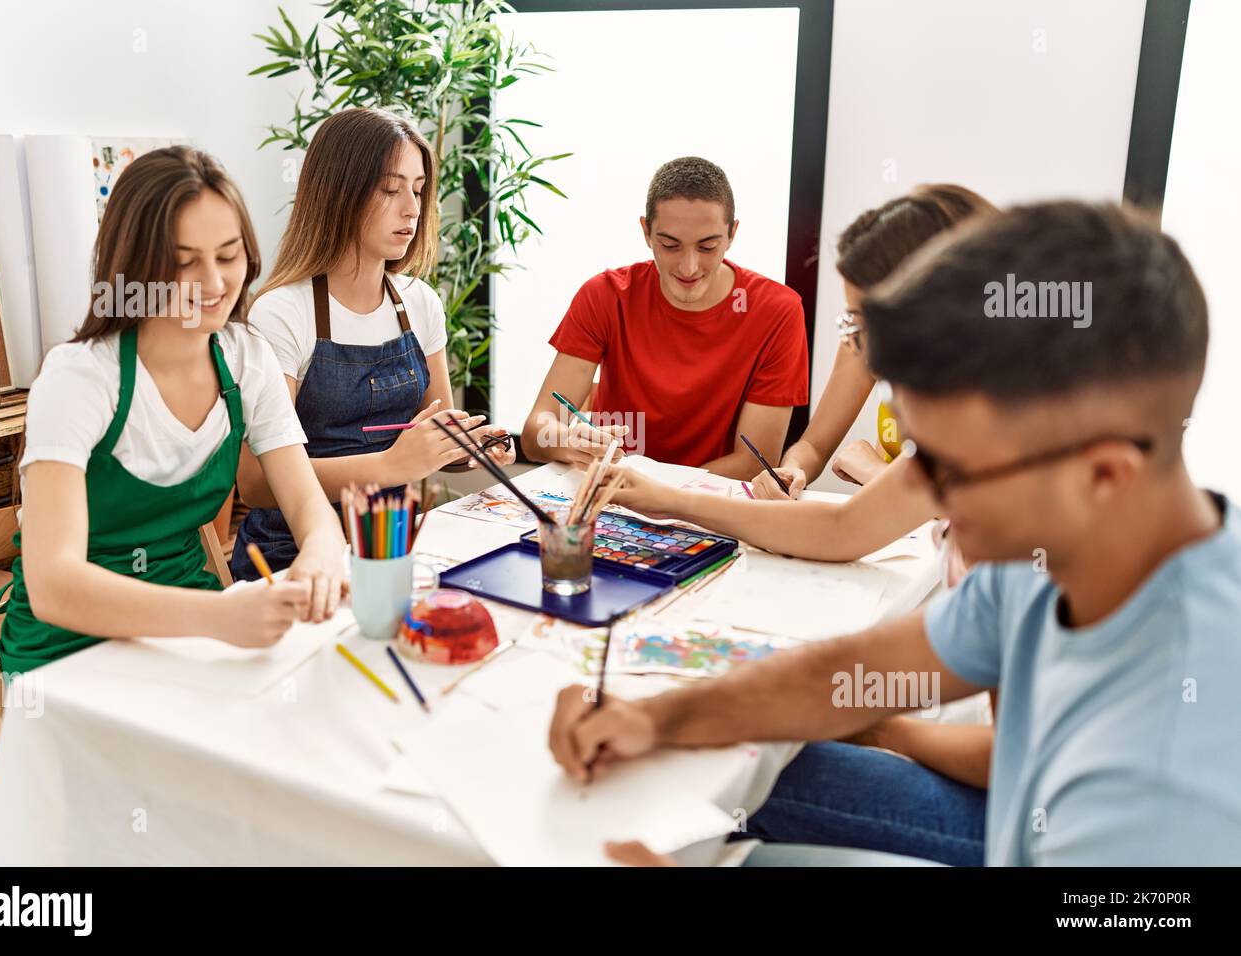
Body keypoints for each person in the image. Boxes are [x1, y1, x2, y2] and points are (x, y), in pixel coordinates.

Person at [549, 201, 1241, 865]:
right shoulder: (1041, 559)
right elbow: (852, 678)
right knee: (730, 769)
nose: (927, 492)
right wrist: (658, 719)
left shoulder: (1170, 765)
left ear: (1105, 474)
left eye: (954, 467)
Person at [0, 147, 346, 674]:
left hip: (190, 632)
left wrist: (319, 559)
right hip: (67, 652)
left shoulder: (246, 358)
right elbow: (53, 587)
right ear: (134, 267)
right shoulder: (80, 378)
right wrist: (218, 618)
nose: (213, 283)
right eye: (184, 263)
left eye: (228, 256)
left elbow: (311, 511)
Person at [605, 186, 998, 563]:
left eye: (867, 324)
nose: (861, 348)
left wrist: (669, 499)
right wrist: (672, 500)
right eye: (851, 323)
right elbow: (842, 527)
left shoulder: (998, 421)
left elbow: (846, 529)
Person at [232, 108, 514, 579]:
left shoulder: (420, 302)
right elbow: (257, 484)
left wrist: (469, 449)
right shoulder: (281, 313)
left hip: (394, 543)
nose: (412, 207)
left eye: (419, 189)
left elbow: (439, 429)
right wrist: (389, 466)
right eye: (390, 189)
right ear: (339, 193)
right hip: (292, 559)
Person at [520, 156, 809, 477]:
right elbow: (536, 433)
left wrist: (657, 493)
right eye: (670, 245)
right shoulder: (605, 295)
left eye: (707, 246)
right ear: (646, 231)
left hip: (709, 507)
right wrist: (565, 438)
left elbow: (755, 462)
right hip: (608, 497)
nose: (688, 267)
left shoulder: (777, 311)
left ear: (732, 234)